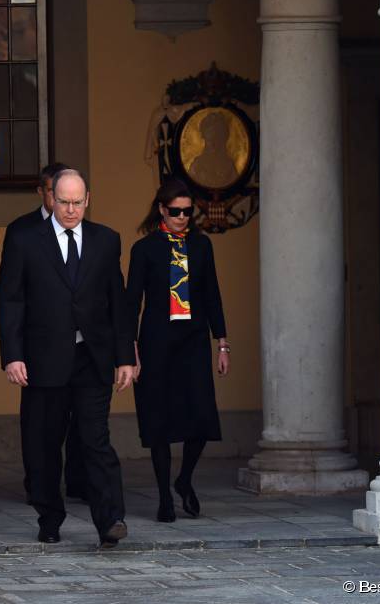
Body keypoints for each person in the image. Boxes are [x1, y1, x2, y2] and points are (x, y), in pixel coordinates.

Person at [0, 169, 135, 548]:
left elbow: (117, 303)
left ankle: (111, 520)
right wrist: (13, 355)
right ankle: (49, 517)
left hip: (92, 356)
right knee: (44, 443)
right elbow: (10, 299)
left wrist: (126, 355)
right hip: (42, 358)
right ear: (50, 199)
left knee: (96, 439)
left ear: (87, 199)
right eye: (64, 202)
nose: (71, 210)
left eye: (78, 202)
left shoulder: (106, 240)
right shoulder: (25, 239)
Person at [127, 179, 230, 522]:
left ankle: (184, 480)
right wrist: (131, 349)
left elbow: (212, 295)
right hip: (156, 344)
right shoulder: (144, 250)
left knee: (200, 419)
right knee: (159, 421)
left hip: (193, 342)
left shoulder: (202, 247)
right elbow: (132, 302)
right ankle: (163, 499)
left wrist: (222, 343)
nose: (182, 217)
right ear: (161, 210)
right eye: (176, 212)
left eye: (188, 212)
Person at [0, 162, 87, 503]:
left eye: (72, 198)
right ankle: (40, 488)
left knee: (84, 424)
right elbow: (9, 295)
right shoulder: (22, 232)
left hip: (81, 350)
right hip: (40, 351)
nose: (64, 203)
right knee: (40, 428)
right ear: (44, 193)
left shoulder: (89, 235)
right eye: (55, 193)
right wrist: (13, 352)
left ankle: (79, 483)